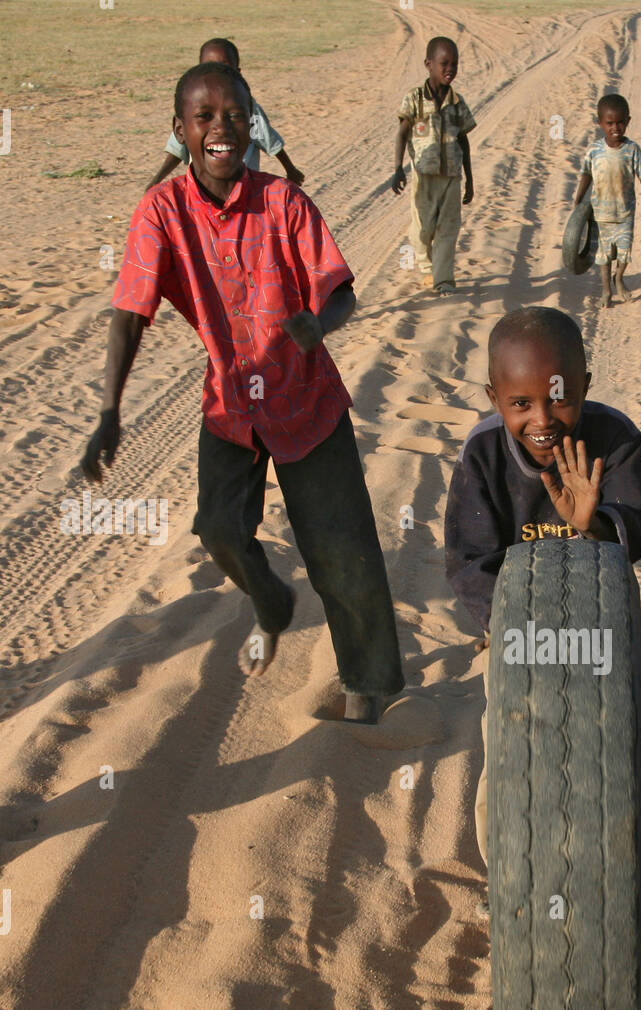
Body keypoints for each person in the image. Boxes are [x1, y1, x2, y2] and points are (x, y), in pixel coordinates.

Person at [81, 61, 405, 723]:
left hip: (306, 398)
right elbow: (128, 311)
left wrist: (320, 323)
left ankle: (367, 687)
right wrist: (110, 409)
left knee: (342, 548)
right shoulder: (161, 211)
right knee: (220, 528)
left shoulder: (283, 202)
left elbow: (339, 289)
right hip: (230, 402)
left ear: (251, 124)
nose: (221, 129)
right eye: (205, 118)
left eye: (234, 116)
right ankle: (271, 600)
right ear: (180, 131)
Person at [445, 308, 641, 867]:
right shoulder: (483, 453)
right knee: (511, 747)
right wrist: (507, 630)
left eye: (560, 398)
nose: (543, 418)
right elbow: (468, 561)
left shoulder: (615, 439)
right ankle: (509, 875)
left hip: (600, 622)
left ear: (585, 385)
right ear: (495, 398)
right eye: (521, 404)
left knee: (608, 746)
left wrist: (593, 524)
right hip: (515, 629)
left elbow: (635, 532)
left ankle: (606, 862)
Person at [146, 38, 304, 191]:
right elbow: (178, 148)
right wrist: (157, 179)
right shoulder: (192, 110)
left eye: (224, 66)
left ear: (238, 72)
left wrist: (291, 170)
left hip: (244, 189)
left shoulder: (249, 109)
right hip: (203, 189)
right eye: (209, 66)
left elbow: (270, 141)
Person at [392, 36, 475, 295]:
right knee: (421, 232)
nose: (450, 69)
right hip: (424, 176)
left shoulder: (457, 102)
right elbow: (402, 133)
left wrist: (469, 179)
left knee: (447, 229)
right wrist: (397, 168)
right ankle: (428, 269)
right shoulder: (415, 99)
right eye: (444, 63)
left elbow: (464, 140)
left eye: (454, 64)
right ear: (429, 64)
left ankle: (443, 280)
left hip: (451, 176)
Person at [572, 94, 641, 307]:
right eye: (609, 123)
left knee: (625, 253)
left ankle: (619, 278)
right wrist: (578, 200)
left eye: (620, 122)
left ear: (628, 121)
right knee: (604, 255)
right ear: (600, 123)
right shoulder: (594, 150)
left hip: (625, 212)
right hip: (601, 213)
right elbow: (586, 174)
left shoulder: (633, 150)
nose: (615, 127)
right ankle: (606, 290)